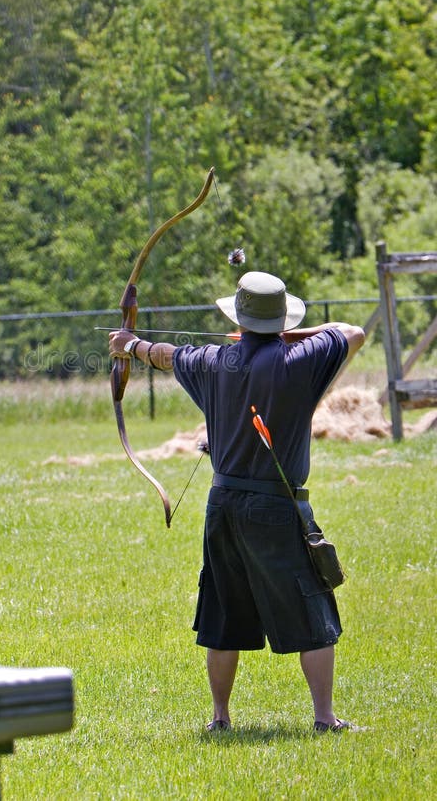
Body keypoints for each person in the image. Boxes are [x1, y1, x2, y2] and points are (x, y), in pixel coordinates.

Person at [109, 270, 366, 734]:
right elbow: (353, 333)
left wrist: (129, 345)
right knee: (311, 603)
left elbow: (166, 355)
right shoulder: (302, 358)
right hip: (275, 505)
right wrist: (290, 334)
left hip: (222, 504)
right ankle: (325, 718)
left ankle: (220, 718)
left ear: (238, 319)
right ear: (281, 322)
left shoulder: (212, 361)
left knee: (223, 607)